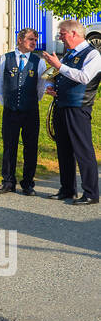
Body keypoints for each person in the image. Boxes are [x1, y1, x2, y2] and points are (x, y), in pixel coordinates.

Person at [43, 20, 101, 204]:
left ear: (74, 34)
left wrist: (59, 66)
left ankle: (91, 193)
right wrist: (50, 85)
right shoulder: (68, 55)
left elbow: (83, 77)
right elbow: (54, 75)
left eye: (62, 34)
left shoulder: (93, 55)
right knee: (64, 150)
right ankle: (67, 189)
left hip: (78, 108)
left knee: (83, 150)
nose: (59, 37)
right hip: (61, 105)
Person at [0, 27, 47, 195]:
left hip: (30, 112)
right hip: (10, 111)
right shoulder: (5, 59)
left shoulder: (38, 61)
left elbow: (41, 87)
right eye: (30, 39)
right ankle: (8, 181)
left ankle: (28, 183)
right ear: (20, 40)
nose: (34, 43)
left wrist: (31, 102)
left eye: (35, 40)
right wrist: (7, 102)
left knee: (31, 147)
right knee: (9, 146)